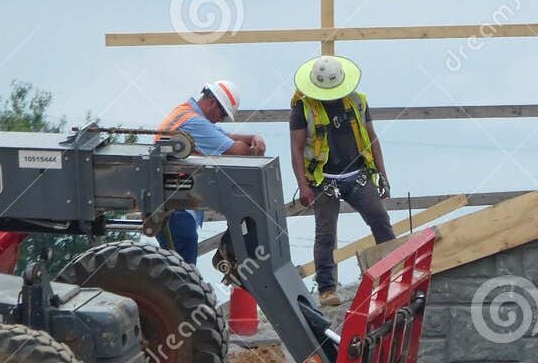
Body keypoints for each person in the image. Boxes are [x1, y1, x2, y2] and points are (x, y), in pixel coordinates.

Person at [289, 54, 394, 307]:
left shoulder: (358, 102)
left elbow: (372, 138)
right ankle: (326, 289)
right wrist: (303, 186)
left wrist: (382, 174)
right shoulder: (303, 109)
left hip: (358, 174)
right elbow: (296, 148)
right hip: (323, 179)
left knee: (380, 219)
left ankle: (394, 273)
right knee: (325, 234)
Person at [154, 79, 267, 265]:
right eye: (222, 114)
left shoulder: (186, 113)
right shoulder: (193, 122)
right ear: (213, 103)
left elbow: (226, 136)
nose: (220, 119)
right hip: (174, 205)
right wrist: (255, 149)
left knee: (180, 269)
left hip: (174, 203)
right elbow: (236, 150)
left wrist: (254, 137)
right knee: (183, 270)